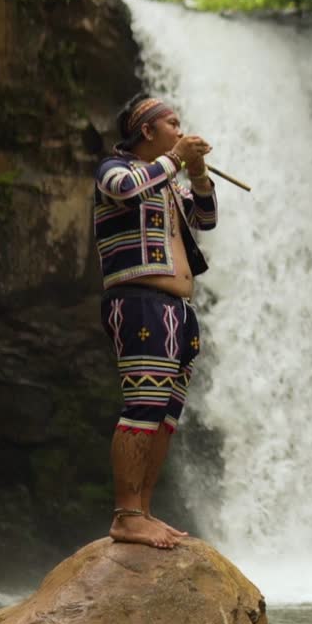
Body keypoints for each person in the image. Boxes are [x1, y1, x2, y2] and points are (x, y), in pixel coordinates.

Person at [92, 93, 218, 549]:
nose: (181, 132)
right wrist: (175, 159)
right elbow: (126, 189)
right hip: (140, 301)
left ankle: (142, 510)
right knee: (143, 406)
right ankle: (126, 514)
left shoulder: (167, 184)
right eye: (173, 124)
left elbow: (207, 218)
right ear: (147, 130)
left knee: (165, 415)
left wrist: (199, 173)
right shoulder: (114, 169)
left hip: (178, 311)